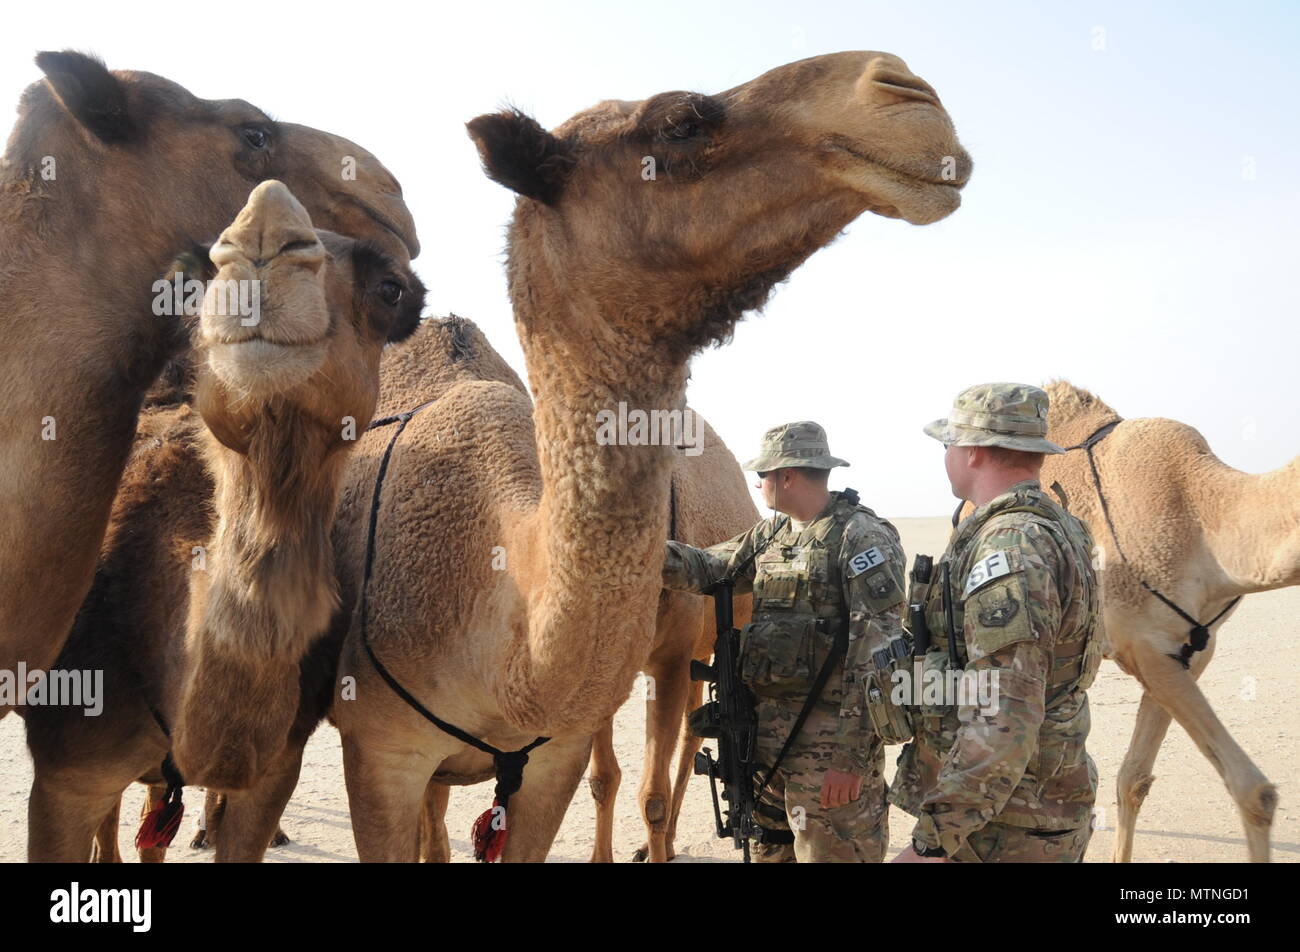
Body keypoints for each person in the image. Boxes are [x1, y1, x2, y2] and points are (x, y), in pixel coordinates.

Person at [663, 421, 910, 862]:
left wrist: (850, 761)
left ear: (787, 476)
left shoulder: (860, 537)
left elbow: (879, 657)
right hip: (764, 748)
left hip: (829, 756)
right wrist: (641, 551)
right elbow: (709, 568)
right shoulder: (773, 535)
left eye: (763, 476)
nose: (758, 485)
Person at [891, 383, 1102, 863]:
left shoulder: (1011, 546)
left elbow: (1004, 715)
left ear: (973, 452)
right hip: (1025, 810)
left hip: (1007, 828)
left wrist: (932, 843)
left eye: (948, 444)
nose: (945, 456)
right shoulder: (1049, 526)